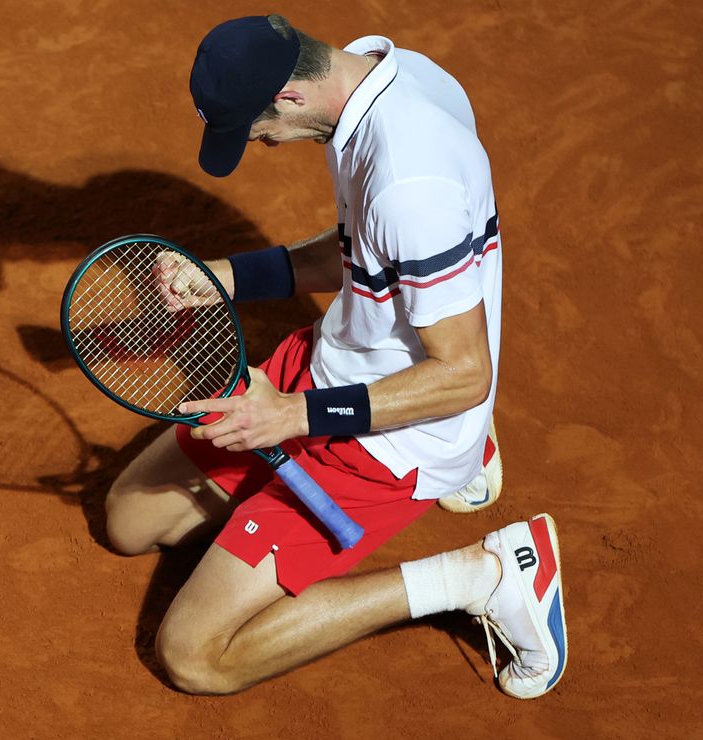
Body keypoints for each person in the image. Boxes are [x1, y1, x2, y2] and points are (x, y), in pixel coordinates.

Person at [104, 14, 566, 699]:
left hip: (387, 444)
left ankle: (486, 575)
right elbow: (361, 254)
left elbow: (466, 374)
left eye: (255, 128)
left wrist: (292, 415)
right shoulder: (375, 81)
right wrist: (224, 277)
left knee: (195, 657)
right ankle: (468, 452)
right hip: (332, 365)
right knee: (128, 521)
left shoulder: (411, 183)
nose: (259, 143)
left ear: (289, 96)